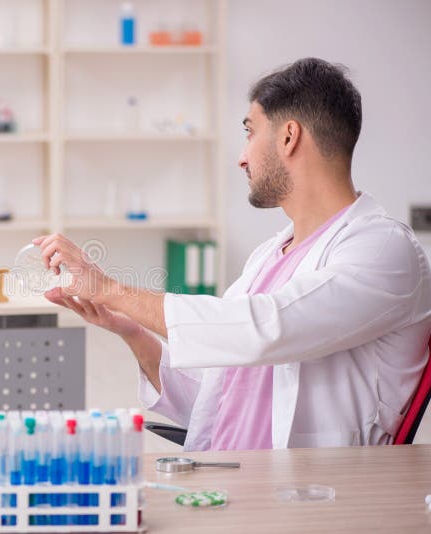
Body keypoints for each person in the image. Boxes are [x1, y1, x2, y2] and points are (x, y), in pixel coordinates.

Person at [35, 58, 431, 452]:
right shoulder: (269, 256)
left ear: (289, 137)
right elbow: (214, 401)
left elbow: (267, 328)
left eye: (250, 132)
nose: (242, 157)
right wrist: (132, 330)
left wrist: (109, 288)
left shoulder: (384, 250)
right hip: (228, 480)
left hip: (308, 499)